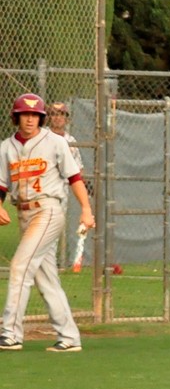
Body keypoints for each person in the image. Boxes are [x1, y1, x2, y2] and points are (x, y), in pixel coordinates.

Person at [0, 93, 95, 351]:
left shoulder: (55, 142)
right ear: (16, 117)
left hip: (49, 210)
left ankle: (10, 332)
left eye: (34, 115)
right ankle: (69, 337)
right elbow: (1, 184)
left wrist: (86, 209)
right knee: (45, 277)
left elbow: (75, 177)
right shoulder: (6, 147)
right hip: (24, 214)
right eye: (25, 114)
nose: (30, 120)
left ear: (41, 118)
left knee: (20, 265)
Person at [46, 102, 90, 270]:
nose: (58, 117)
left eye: (61, 114)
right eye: (54, 114)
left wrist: (85, 189)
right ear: (49, 117)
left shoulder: (71, 141)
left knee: (55, 227)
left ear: (66, 118)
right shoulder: (43, 136)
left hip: (62, 189)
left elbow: (78, 168)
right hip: (44, 187)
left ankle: (48, 263)